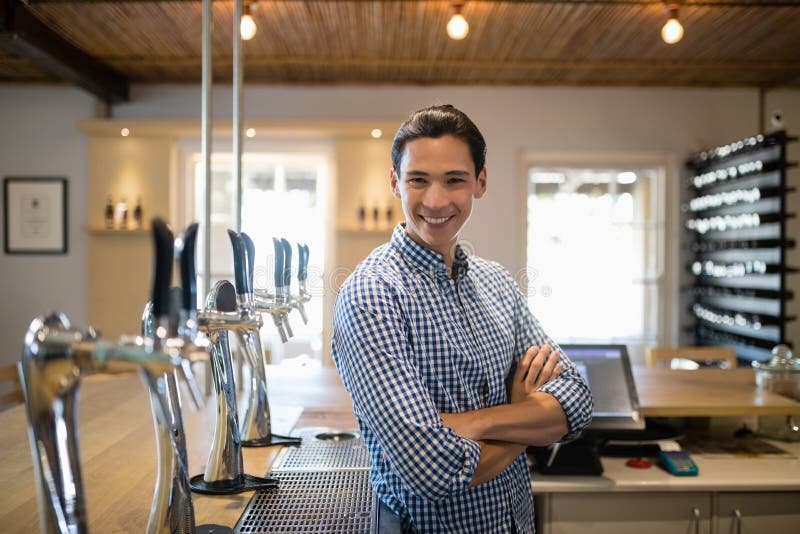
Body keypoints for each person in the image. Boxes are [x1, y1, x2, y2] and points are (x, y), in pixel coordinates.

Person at [332, 104, 592, 533]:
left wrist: (479, 421)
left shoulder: (497, 283)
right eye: (418, 180)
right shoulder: (371, 296)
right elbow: (431, 470)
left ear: (480, 183)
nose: (436, 200)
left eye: (454, 180)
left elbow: (578, 402)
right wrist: (526, 417)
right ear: (396, 183)